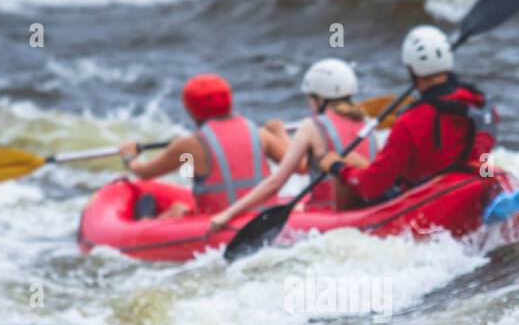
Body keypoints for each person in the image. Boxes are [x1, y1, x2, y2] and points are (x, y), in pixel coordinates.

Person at [316, 25, 497, 205]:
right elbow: (482, 155)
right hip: (469, 181)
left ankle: (337, 222)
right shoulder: (478, 101)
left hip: (425, 200)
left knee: (344, 175)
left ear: (411, 70)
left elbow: (370, 187)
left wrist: (337, 167)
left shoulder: (410, 121)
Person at [205, 59, 376, 233]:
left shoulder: (312, 126)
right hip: (365, 209)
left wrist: (227, 214)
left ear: (318, 99)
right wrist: (281, 135)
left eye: (309, 98)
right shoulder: (368, 124)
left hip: (326, 217)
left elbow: (276, 182)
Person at [116, 74, 289, 218]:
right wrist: (280, 133)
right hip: (263, 217)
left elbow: (144, 173)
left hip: (219, 221)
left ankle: (146, 222)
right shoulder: (260, 134)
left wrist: (129, 157)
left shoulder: (188, 145)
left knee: (177, 209)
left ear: (190, 109)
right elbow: (301, 166)